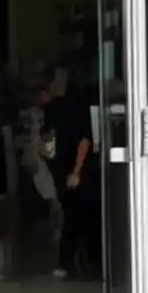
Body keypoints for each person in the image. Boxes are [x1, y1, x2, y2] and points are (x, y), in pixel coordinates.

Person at [39, 71, 100, 280]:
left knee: (75, 216)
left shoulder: (62, 108)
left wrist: (74, 171)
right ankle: (84, 263)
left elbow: (52, 141)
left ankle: (70, 263)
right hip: (73, 169)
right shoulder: (73, 106)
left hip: (72, 170)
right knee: (80, 216)